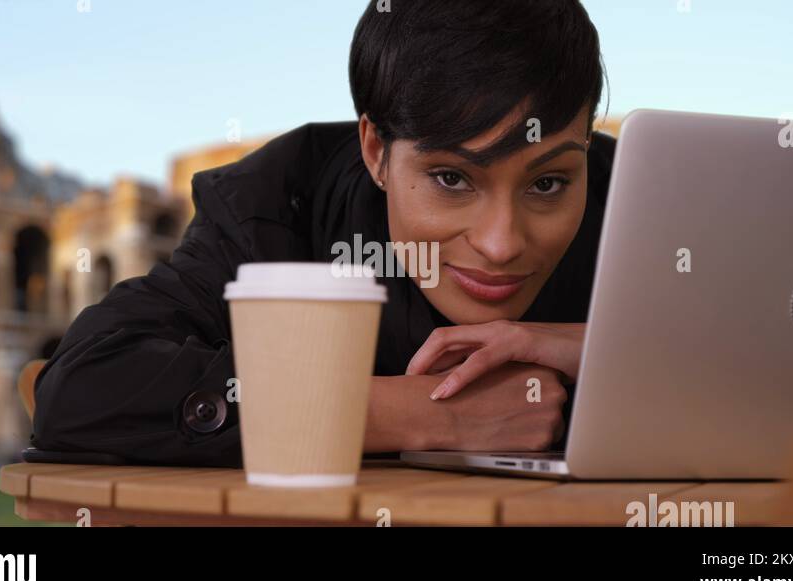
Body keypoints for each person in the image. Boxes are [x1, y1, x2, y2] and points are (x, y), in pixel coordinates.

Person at [32, 0, 615, 466]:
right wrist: (413, 414)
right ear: (376, 152)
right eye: (450, 177)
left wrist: (607, 349)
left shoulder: (638, 196)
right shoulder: (271, 207)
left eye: (548, 185)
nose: (501, 243)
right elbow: (82, 388)